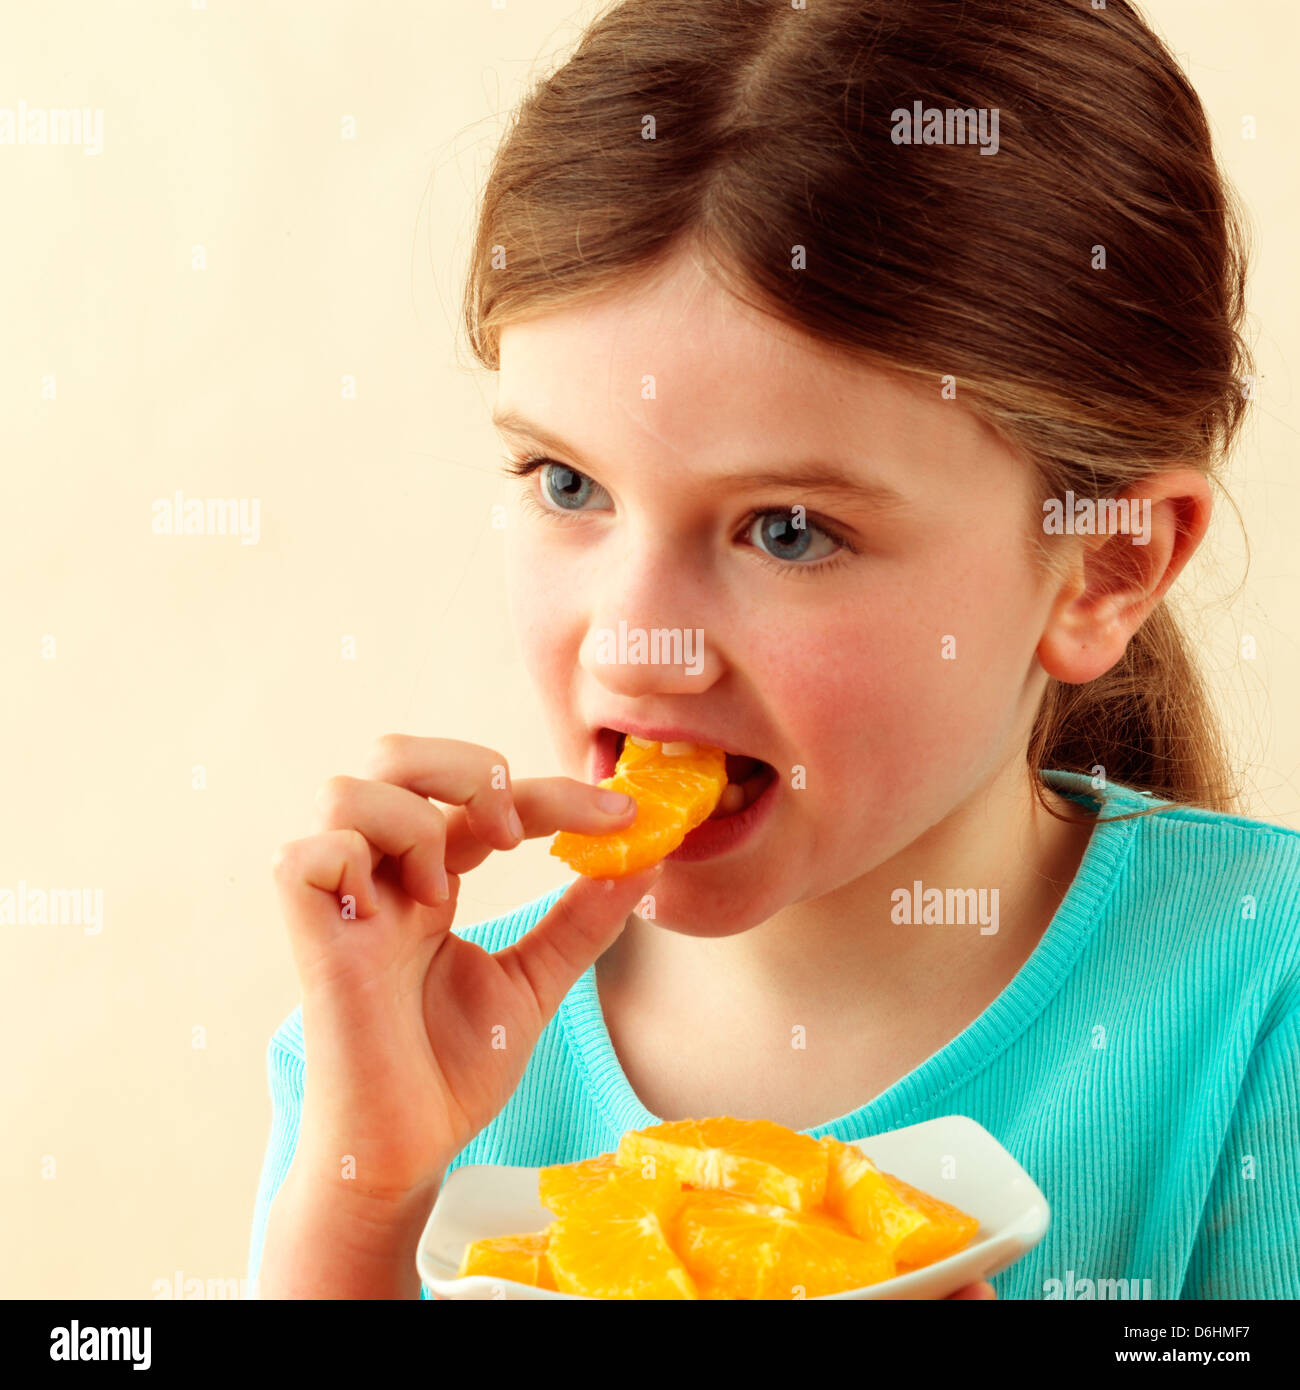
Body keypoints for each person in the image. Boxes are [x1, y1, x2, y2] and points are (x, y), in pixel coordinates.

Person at [249, 0, 1298, 1300]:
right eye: (569, 485)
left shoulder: (1264, 1007)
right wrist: (359, 1219)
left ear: (1105, 564)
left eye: (788, 530)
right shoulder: (390, 1062)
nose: (638, 645)